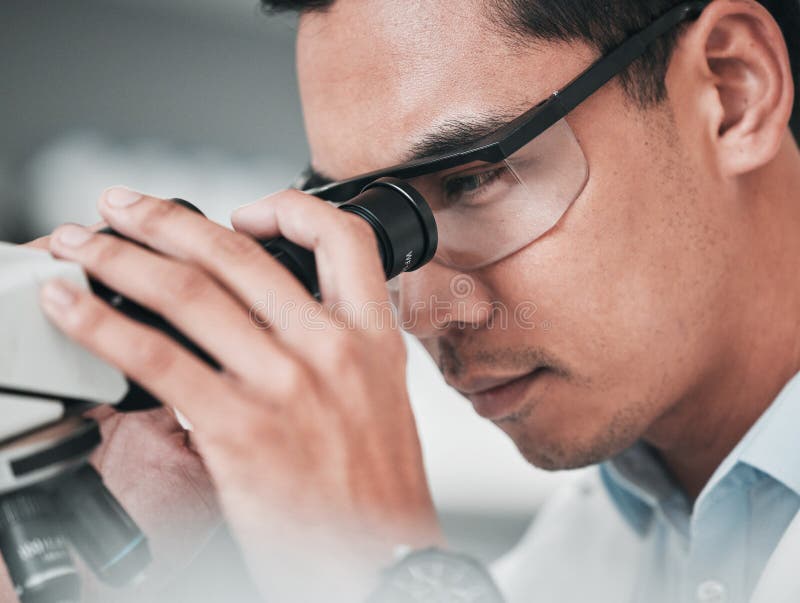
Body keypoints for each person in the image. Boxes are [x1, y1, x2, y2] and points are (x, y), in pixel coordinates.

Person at [13, 0, 800, 601]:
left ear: (732, 91)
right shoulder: (579, 562)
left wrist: (377, 559)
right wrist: (79, 570)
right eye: (370, 226)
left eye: (472, 179)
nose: (420, 311)